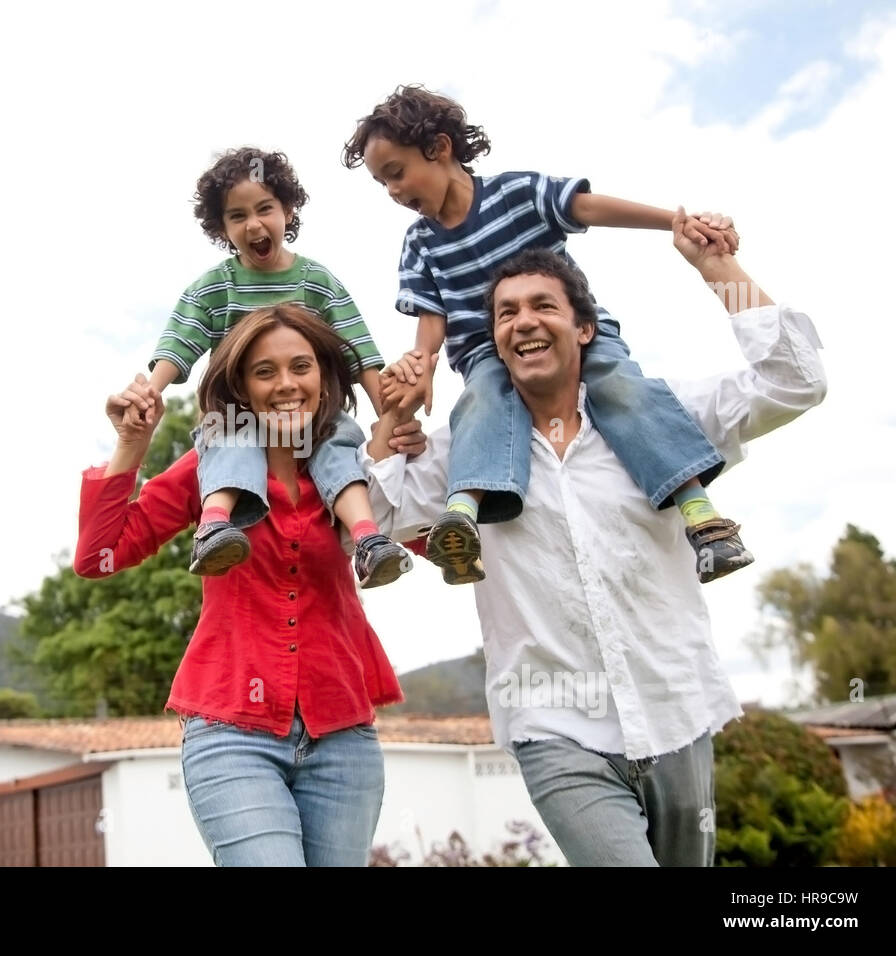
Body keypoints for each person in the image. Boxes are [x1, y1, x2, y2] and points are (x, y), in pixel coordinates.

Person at [362, 210, 827, 865]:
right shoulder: (463, 456)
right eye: (505, 313)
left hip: (675, 710)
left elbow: (797, 381)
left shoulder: (664, 416)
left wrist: (719, 271)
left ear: (583, 328)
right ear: (495, 342)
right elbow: (374, 513)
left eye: (542, 306)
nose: (522, 321)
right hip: (553, 727)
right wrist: (393, 417)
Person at [343, 84, 752, 586]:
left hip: (573, 338)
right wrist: (422, 365)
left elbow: (588, 208)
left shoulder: (517, 193)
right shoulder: (420, 243)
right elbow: (432, 319)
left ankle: (703, 519)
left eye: (396, 173)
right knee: (481, 406)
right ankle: (461, 520)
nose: (394, 192)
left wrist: (674, 221)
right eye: (383, 184)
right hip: (486, 354)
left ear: (440, 149)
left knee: (623, 389)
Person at [76, 303, 405, 867]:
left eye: (301, 367)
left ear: (325, 379)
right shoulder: (212, 468)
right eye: (265, 372)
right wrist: (132, 444)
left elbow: (426, 540)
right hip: (232, 730)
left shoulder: (355, 470)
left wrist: (407, 444)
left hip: (343, 733)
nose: (286, 385)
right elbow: (100, 556)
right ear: (242, 389)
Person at [130, 146, 412, 588]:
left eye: (265, 209)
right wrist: (151, 390)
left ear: (288, 210)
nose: (254, 224)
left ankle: (367, 539)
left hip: (311, 417)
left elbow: (360, 350)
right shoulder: (216, 286)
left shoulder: (316, 281)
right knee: (229, 437)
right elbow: (179, 342)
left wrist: (388, 422)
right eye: (238, 216)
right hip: (241, 411)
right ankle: (215, 526)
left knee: (339, 441)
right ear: (223, 228)